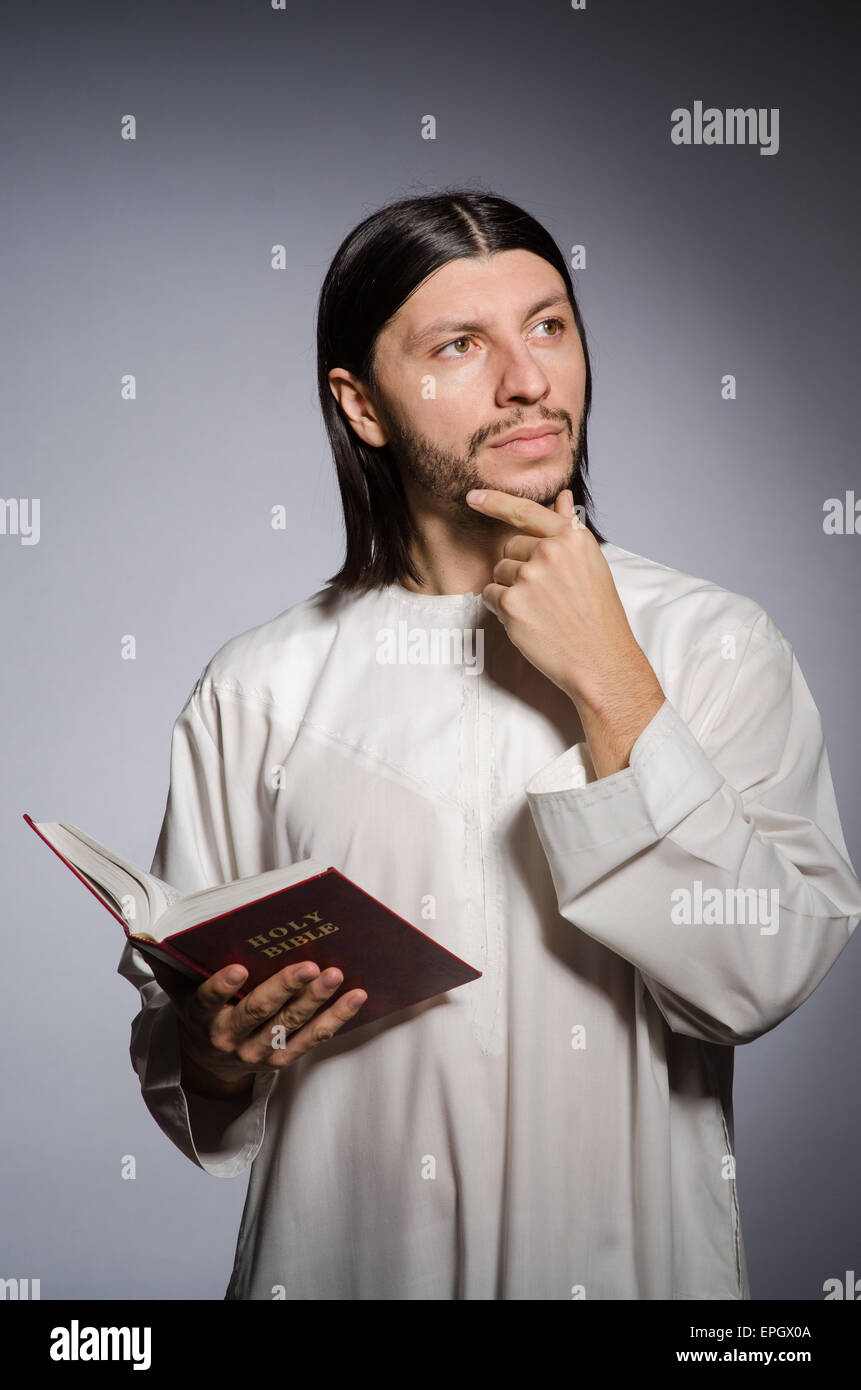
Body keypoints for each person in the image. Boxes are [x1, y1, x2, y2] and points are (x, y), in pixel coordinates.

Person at [119, 189, 861, 1300]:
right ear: (362, 404)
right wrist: (218, 1050)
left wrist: (610, 674)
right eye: (460, 345)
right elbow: (190, 1053)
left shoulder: (712, 643)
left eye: (549, 326)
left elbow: (759, 972)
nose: (528, 380)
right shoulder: (258, 687)